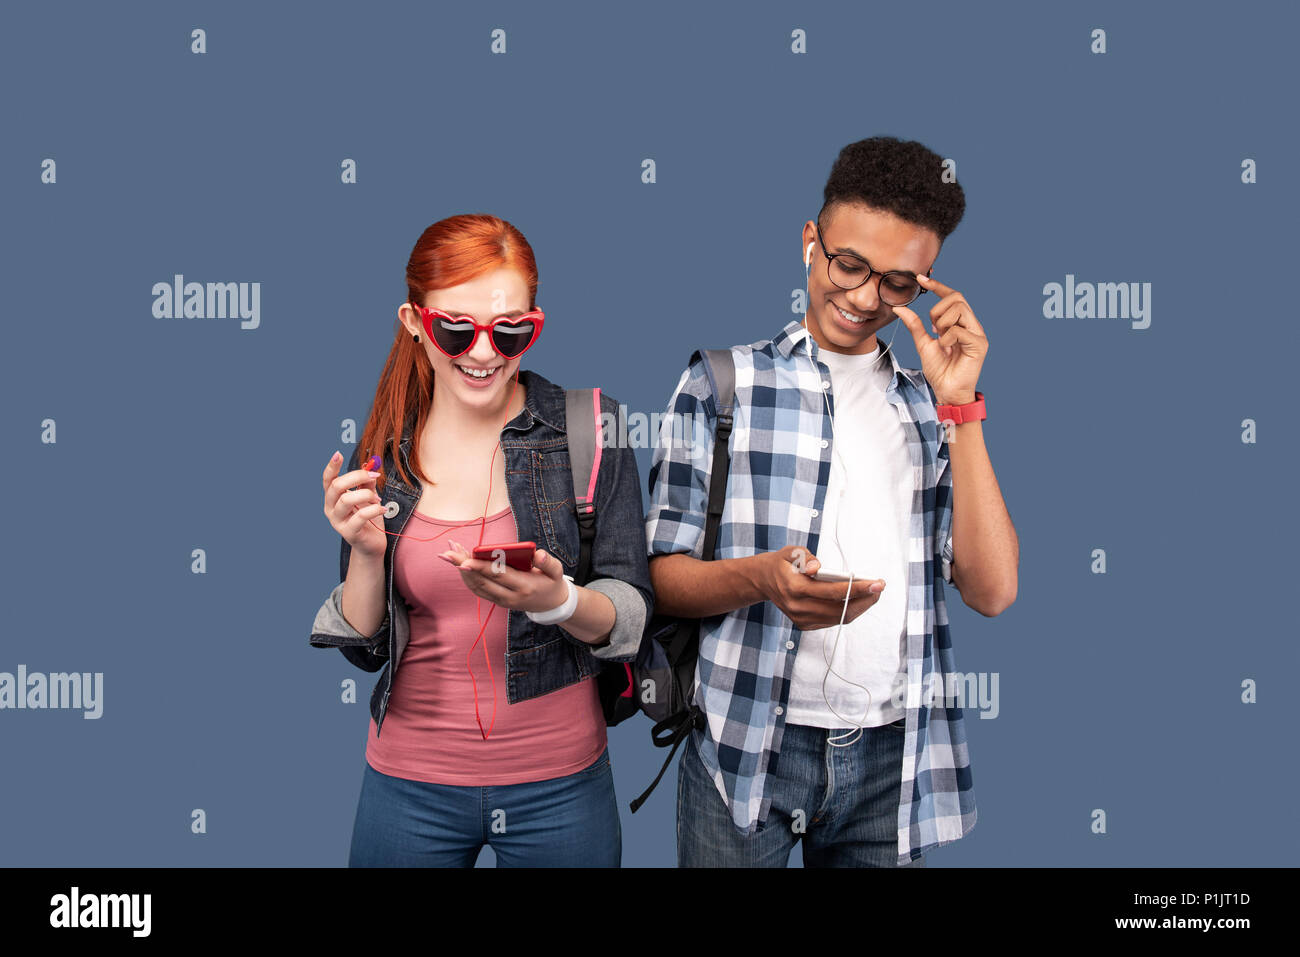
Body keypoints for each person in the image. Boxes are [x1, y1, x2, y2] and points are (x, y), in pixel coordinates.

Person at [645, 136, 1018, 867]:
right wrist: (761, 580)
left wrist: (962, 405)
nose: (864, 296)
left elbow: (994, 588)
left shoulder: (926, 409)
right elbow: (659, 577)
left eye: (899, 283)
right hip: (746, 739)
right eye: (849, 263)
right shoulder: (724, 386)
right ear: (811, 243)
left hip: (893, 757)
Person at [309, 214, 653, 867]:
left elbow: (632, 611)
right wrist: (364, 550)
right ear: (413, 321)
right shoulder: (385, 444)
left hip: (562, 785)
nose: (485, 352)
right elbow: (364, 645)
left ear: (535, 319)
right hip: (409, 786)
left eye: (511, 330)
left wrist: (559, 600)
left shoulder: (593, 428)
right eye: (456, 329)